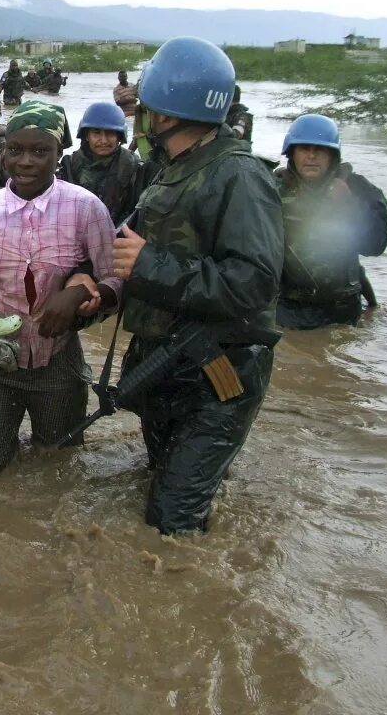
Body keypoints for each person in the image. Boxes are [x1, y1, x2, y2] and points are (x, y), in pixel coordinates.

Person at [109, 35, 283, 535]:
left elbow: (254, 283)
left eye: (146, 106)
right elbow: (133, 253)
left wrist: (149, 265)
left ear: (163, 115)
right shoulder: (175, 171)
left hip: (217, 372)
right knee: (157, 483)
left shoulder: (239, 177)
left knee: (171, 522)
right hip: (167, 364)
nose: (140, 115)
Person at [0, 101, 121, 473]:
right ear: (4, 153)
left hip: (58, 362)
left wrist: (78, 296)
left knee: (58, 466)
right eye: (15, 150)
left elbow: (114, 280)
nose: (26, 162)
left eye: (40, 151)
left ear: (59, 154)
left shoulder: (86, 208)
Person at [275, 113, 387, 329]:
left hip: (343, 310)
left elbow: (375, 246)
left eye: (320, 149)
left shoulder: (359, 189)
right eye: (304, 148)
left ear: (332, 155)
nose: (311, 156)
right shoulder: (271, 190)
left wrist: (348, 205)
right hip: (287, 308)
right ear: (291, 153)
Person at [57, 102, 145, 225]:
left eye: (110, 133)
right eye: (96, 133)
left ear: (119, 137)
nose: (103, 140)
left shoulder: (134, 167)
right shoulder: (70, 165)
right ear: (87, 135)